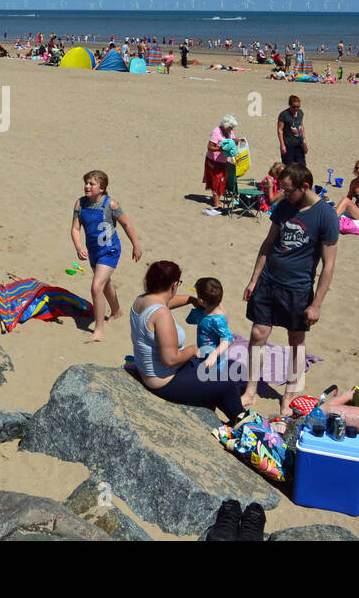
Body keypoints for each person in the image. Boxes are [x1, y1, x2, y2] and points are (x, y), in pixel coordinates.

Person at [242, 164, 339, 415]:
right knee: (258, 333)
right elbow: (268, 243)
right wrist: (254, 280)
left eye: (288, 190)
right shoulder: (285, 206)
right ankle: (251, 389)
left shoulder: (325, 216)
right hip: (269, 281)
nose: (283, 195)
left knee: (296, 341)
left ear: (304, 187)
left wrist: (316, 304)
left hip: (297, 288)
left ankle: (288, 396)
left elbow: (329, 265)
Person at [128, 261, 248, 423]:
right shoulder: (161, 314)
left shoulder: (141, 300)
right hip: (164, 379)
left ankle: (226, 417)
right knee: (226, 384)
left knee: (211, 374)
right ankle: (244, 423)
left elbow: (166, 302)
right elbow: (170, 359)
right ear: (174, 284)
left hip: (149, 371)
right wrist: (192, 349)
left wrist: (191, 300)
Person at [70, 170, 143, 343]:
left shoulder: (111, 205)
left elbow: (126, 224)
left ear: (102, 188)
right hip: (93, 251)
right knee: (104, 283)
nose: (87, 186)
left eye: (92, 184)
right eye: (86, 182)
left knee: (96, 286)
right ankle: (116, 310)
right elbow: (75, 228)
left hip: (110, 251)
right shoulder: (80, 204)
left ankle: (99, 330)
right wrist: (79, 246)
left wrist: (136, 245)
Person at [185, 277, 234, 378]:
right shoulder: (204, 312)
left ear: (202, 301)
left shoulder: (217, 319)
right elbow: (189, 320)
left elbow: (228, 339)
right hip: (203, 353)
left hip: (215, 361)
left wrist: (214, 354)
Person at [203, 115, 238, 213]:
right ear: (226, 125)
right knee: (216, 180)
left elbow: (232, 141)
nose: (232, 129)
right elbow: (209, 147)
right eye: (231, 127)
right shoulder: (216, 132)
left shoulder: (229, 132)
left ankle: (217, 199)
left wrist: (236, 141)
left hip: (223, 161)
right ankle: (217, 202)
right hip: (213, 161)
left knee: (222, 181)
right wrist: (220, 149)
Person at [276, 94, 306, 166]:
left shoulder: (300, 113)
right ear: (290, 105)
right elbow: (280, 130)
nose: (296, 109)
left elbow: (301, 126)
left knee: (301, 166)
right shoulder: (284, 115)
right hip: (288, 144)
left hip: (299, 144)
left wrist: (304, 140)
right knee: (288, 167)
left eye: (298, 107)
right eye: (294, 107)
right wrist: (282, 145)